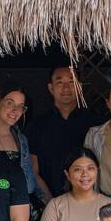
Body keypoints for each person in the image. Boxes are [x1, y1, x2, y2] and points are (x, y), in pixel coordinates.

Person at [27, 65, 101, 201]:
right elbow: (33, 170)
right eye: (60, 82)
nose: (66, 88)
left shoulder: (94, 122)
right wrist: (50, 201)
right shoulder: (37, 125)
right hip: (49, 200)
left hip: (88, 200)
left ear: (79, 86)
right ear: (50, 87)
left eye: (71, 82)